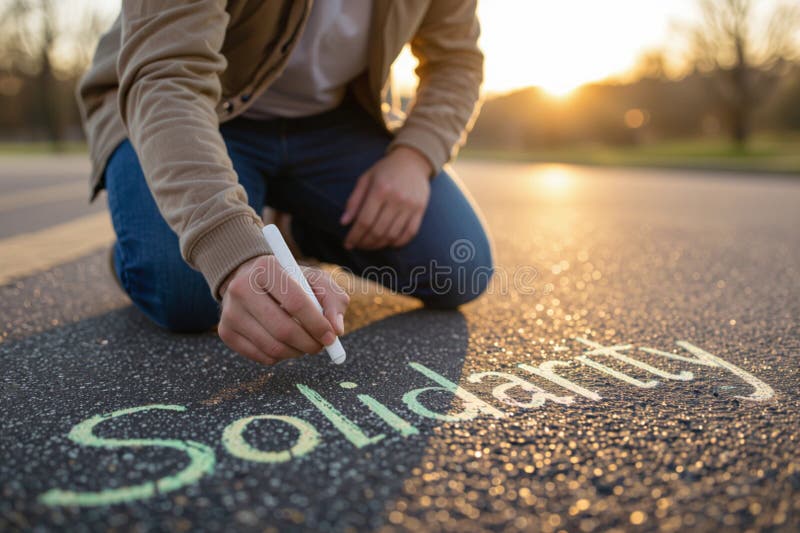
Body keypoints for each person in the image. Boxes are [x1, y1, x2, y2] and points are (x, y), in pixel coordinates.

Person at [78, 0, 492, 366]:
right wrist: (233, 251)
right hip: (196, 113)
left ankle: (290, 230)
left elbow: (456, 60)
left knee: (459, 268)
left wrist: (414, 156)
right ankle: (144, 249)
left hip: (331, 122)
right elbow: (167, 79)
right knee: (185, 290)